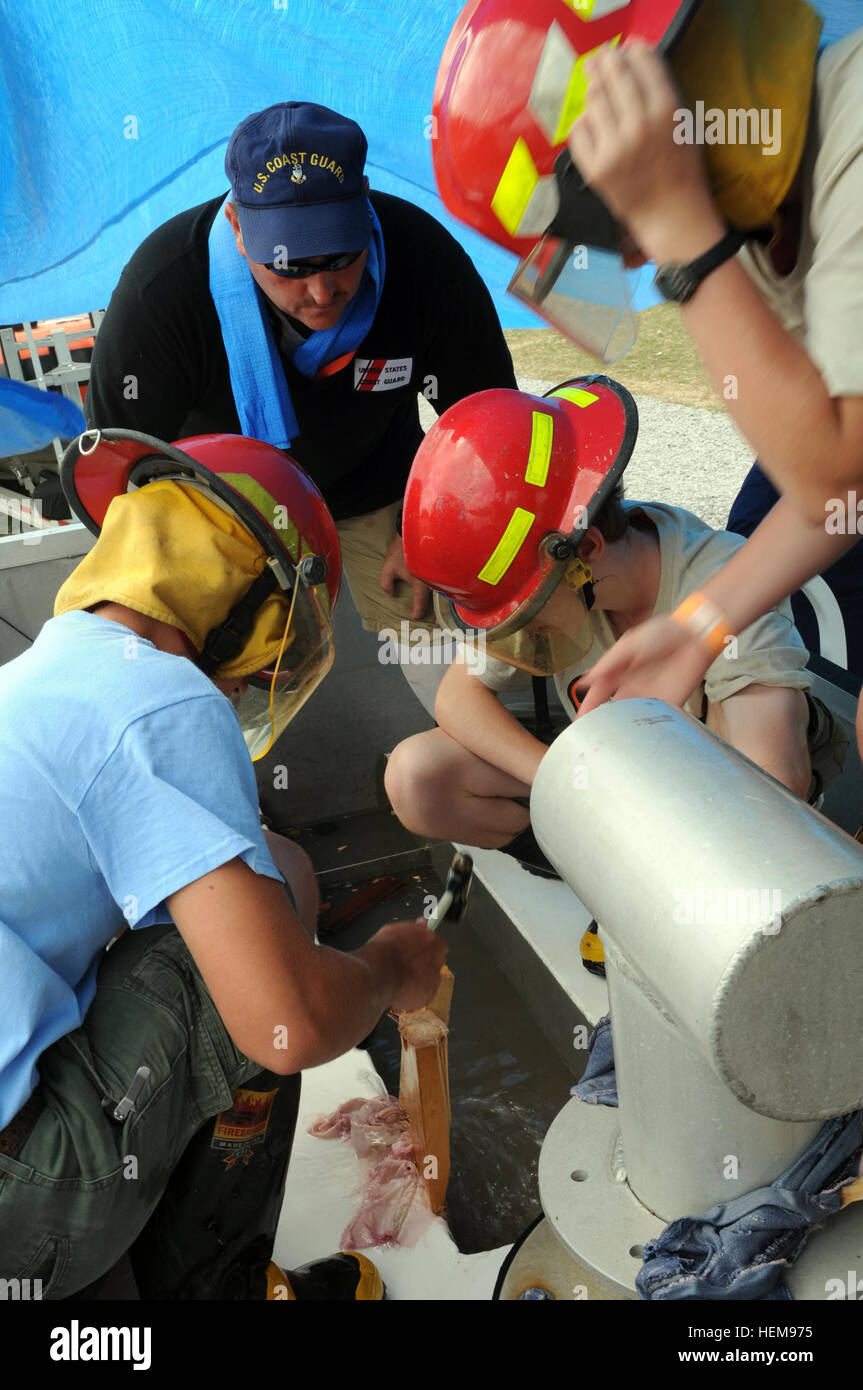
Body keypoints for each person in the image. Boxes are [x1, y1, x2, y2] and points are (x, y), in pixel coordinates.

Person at [0, 422, 447, 1299]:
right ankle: (216, 1283)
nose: (243, 684)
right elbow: (290, 1022)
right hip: (26, 1205)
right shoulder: (162, 694)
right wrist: (389, 966)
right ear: (244, 602)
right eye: (266, 648)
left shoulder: (34, 676)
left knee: (264, 871)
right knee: (265, 945)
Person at [85, 100, 517, 710]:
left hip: (381, 489)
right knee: (186, 655)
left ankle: (482, 769)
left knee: (435, 633)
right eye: (288, 264)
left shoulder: (424, 260)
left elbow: (487, 416)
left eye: (340, 256)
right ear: (237, 227)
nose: (321, 291)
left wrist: (437, 525)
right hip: (222, 503)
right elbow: (114, 463)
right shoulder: (165, 290)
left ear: (365, 206)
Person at [384, 383, 845, 863]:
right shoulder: (544, 563)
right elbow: (457, 697)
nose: (521, 628)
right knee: (416, 776)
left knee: (740, 734)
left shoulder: (721, 579)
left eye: (526, 611)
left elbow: (776, 779)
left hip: (723, 812)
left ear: (585, 551)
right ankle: (595, 864)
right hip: (619, 775)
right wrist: (568, 783)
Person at [560, 1, 863, 715]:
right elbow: (844, 497)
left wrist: (676, 223)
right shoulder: (755, 206)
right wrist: (697, 629)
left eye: (622, 210)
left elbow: (833, 474)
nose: (632, 256)